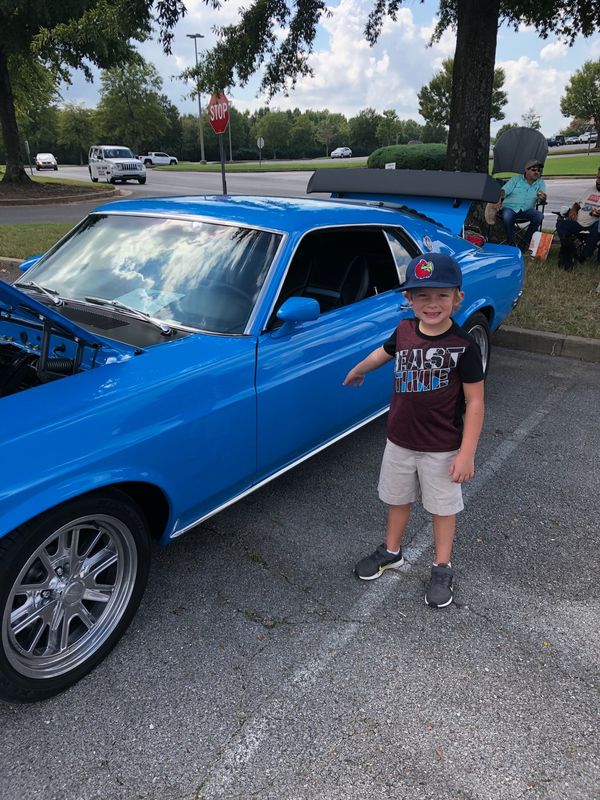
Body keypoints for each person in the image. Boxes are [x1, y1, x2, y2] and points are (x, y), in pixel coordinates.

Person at [343, 253, 485, 608]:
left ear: (458, 298)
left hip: (442, 447)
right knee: (397, 498)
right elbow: (383, 353)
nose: (432, 304)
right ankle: (392, 551)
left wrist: (467, 453)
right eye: (422, 295)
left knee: (442, 508)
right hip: (400, 441)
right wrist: (359, 369)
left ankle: (442, 566)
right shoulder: (404, 331)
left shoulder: (463, 347)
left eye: (441, 295)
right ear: (409, 300)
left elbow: (476, 403)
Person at [495, 159, 547, 249]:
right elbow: (504, 191)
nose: (537, 172)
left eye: (538, 170)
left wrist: (542, 198)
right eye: (533, 170)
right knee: (507, 216)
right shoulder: (516, 179)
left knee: (539, 216)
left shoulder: (540, 183)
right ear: (526, 170)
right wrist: (498, 198)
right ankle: (511, 243)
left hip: (527, 210)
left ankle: (524, 243)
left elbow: (542, 197)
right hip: (510, 208)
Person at [555, 167, 600, 264]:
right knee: (561, 224)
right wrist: (573, 210)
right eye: (597, 177)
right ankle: (569, 249)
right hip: (579, 223)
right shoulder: (591, 190)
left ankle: (584, 256)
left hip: (594, 227)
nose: (597, 181)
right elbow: (578, 204)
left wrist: (597, 214)